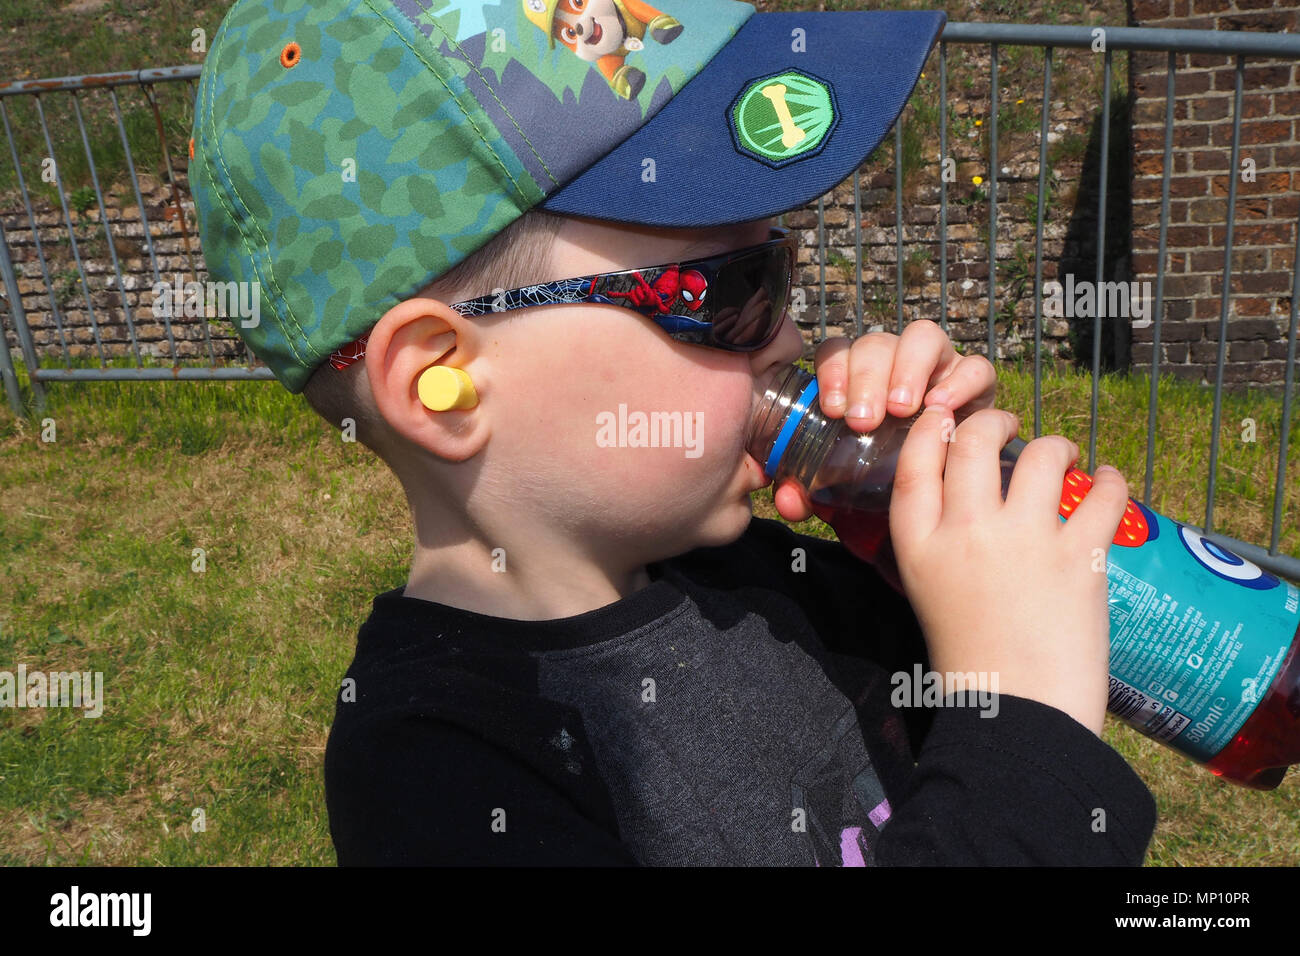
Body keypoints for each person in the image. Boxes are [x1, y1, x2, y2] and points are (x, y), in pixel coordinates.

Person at [189, 0, 1156, 865]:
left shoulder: (772, 584)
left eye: (778, 267)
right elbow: (1006, 773)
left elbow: (951, 734)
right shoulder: (436, 774)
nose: (789, 332)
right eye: (729, 293)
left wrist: (930, 548)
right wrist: (1029, 741)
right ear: (445, 384)